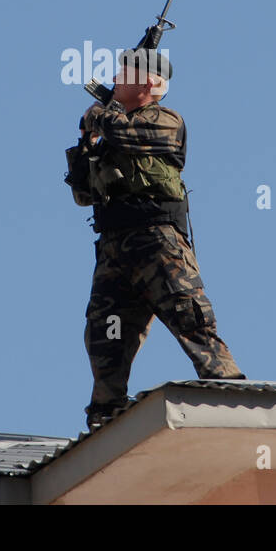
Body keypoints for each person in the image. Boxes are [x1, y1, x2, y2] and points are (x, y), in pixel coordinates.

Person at [69, 48, 244, 432]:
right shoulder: (111, 131)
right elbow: (83, 193)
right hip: (115, 247)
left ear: (150, 83)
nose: (116, 77)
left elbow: (124, 132)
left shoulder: (165, 120)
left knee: (189, 314)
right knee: (105, 332)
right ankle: (106, 413)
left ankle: (228, 388)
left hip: (157, 242)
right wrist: (84, 144)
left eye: (125, 72)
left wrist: (99, 115)